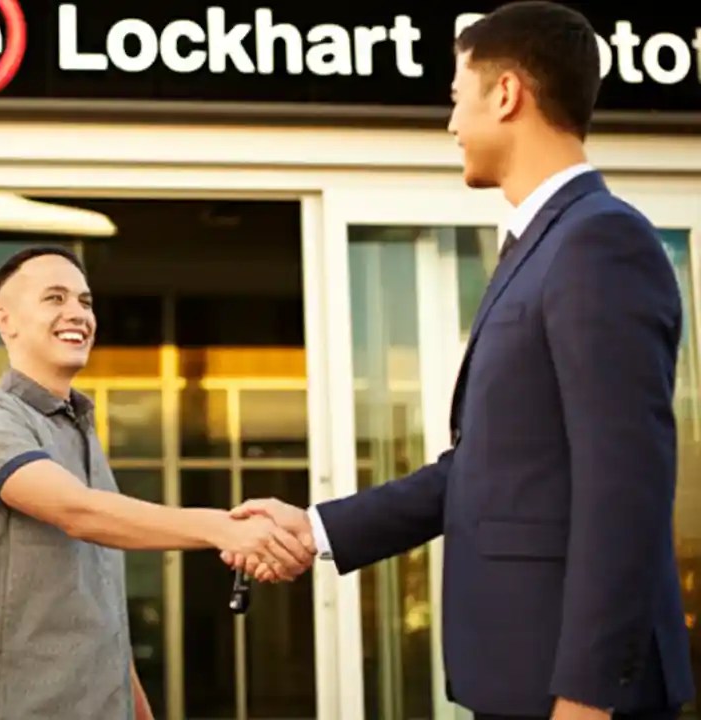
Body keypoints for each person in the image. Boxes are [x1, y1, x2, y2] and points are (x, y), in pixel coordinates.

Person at [228, 2, 695, 719]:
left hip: (573, 695)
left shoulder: (600, 243)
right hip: (516, 679)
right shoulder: (540, 246)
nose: (450, 125)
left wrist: (588, 696)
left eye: (455, 97)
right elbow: (478, 470)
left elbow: (625, 485)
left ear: (505, 94)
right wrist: (316, 527)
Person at [0, 245, 310, 720]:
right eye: (54, 298)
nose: (77, 313)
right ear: (5, 320)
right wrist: (224, 527)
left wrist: (135, 702)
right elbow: (79, 514)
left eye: (85, 301)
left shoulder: (80, 428)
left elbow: (97, 583)